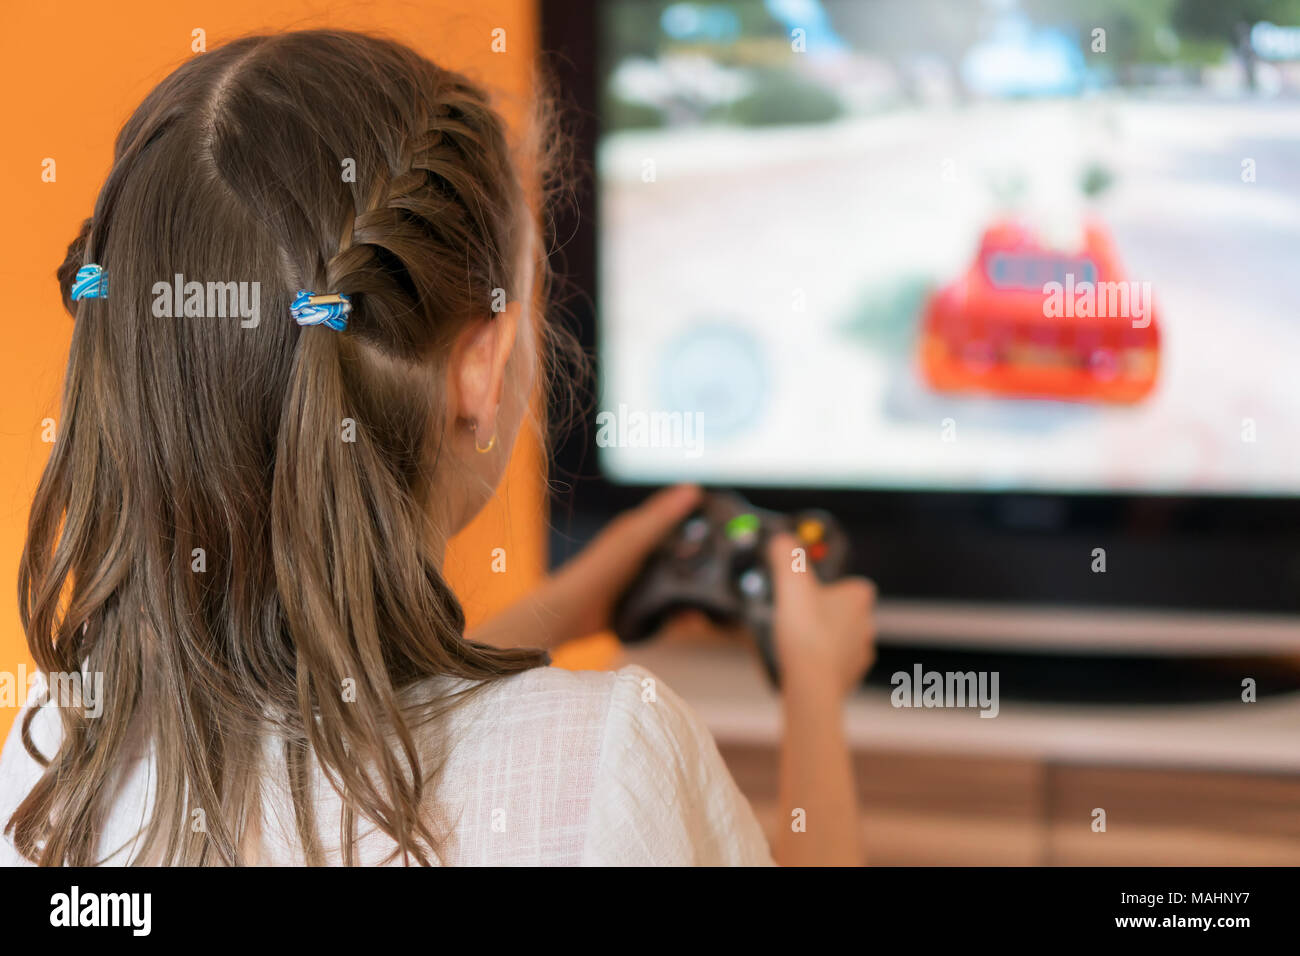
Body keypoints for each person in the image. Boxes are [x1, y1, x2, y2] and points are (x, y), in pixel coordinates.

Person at [0, 30, 876, 866]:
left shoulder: (48, 757)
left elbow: (345, 739)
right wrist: (813, 684)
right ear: (482, 369)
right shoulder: (615, 755)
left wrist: (563, 608)